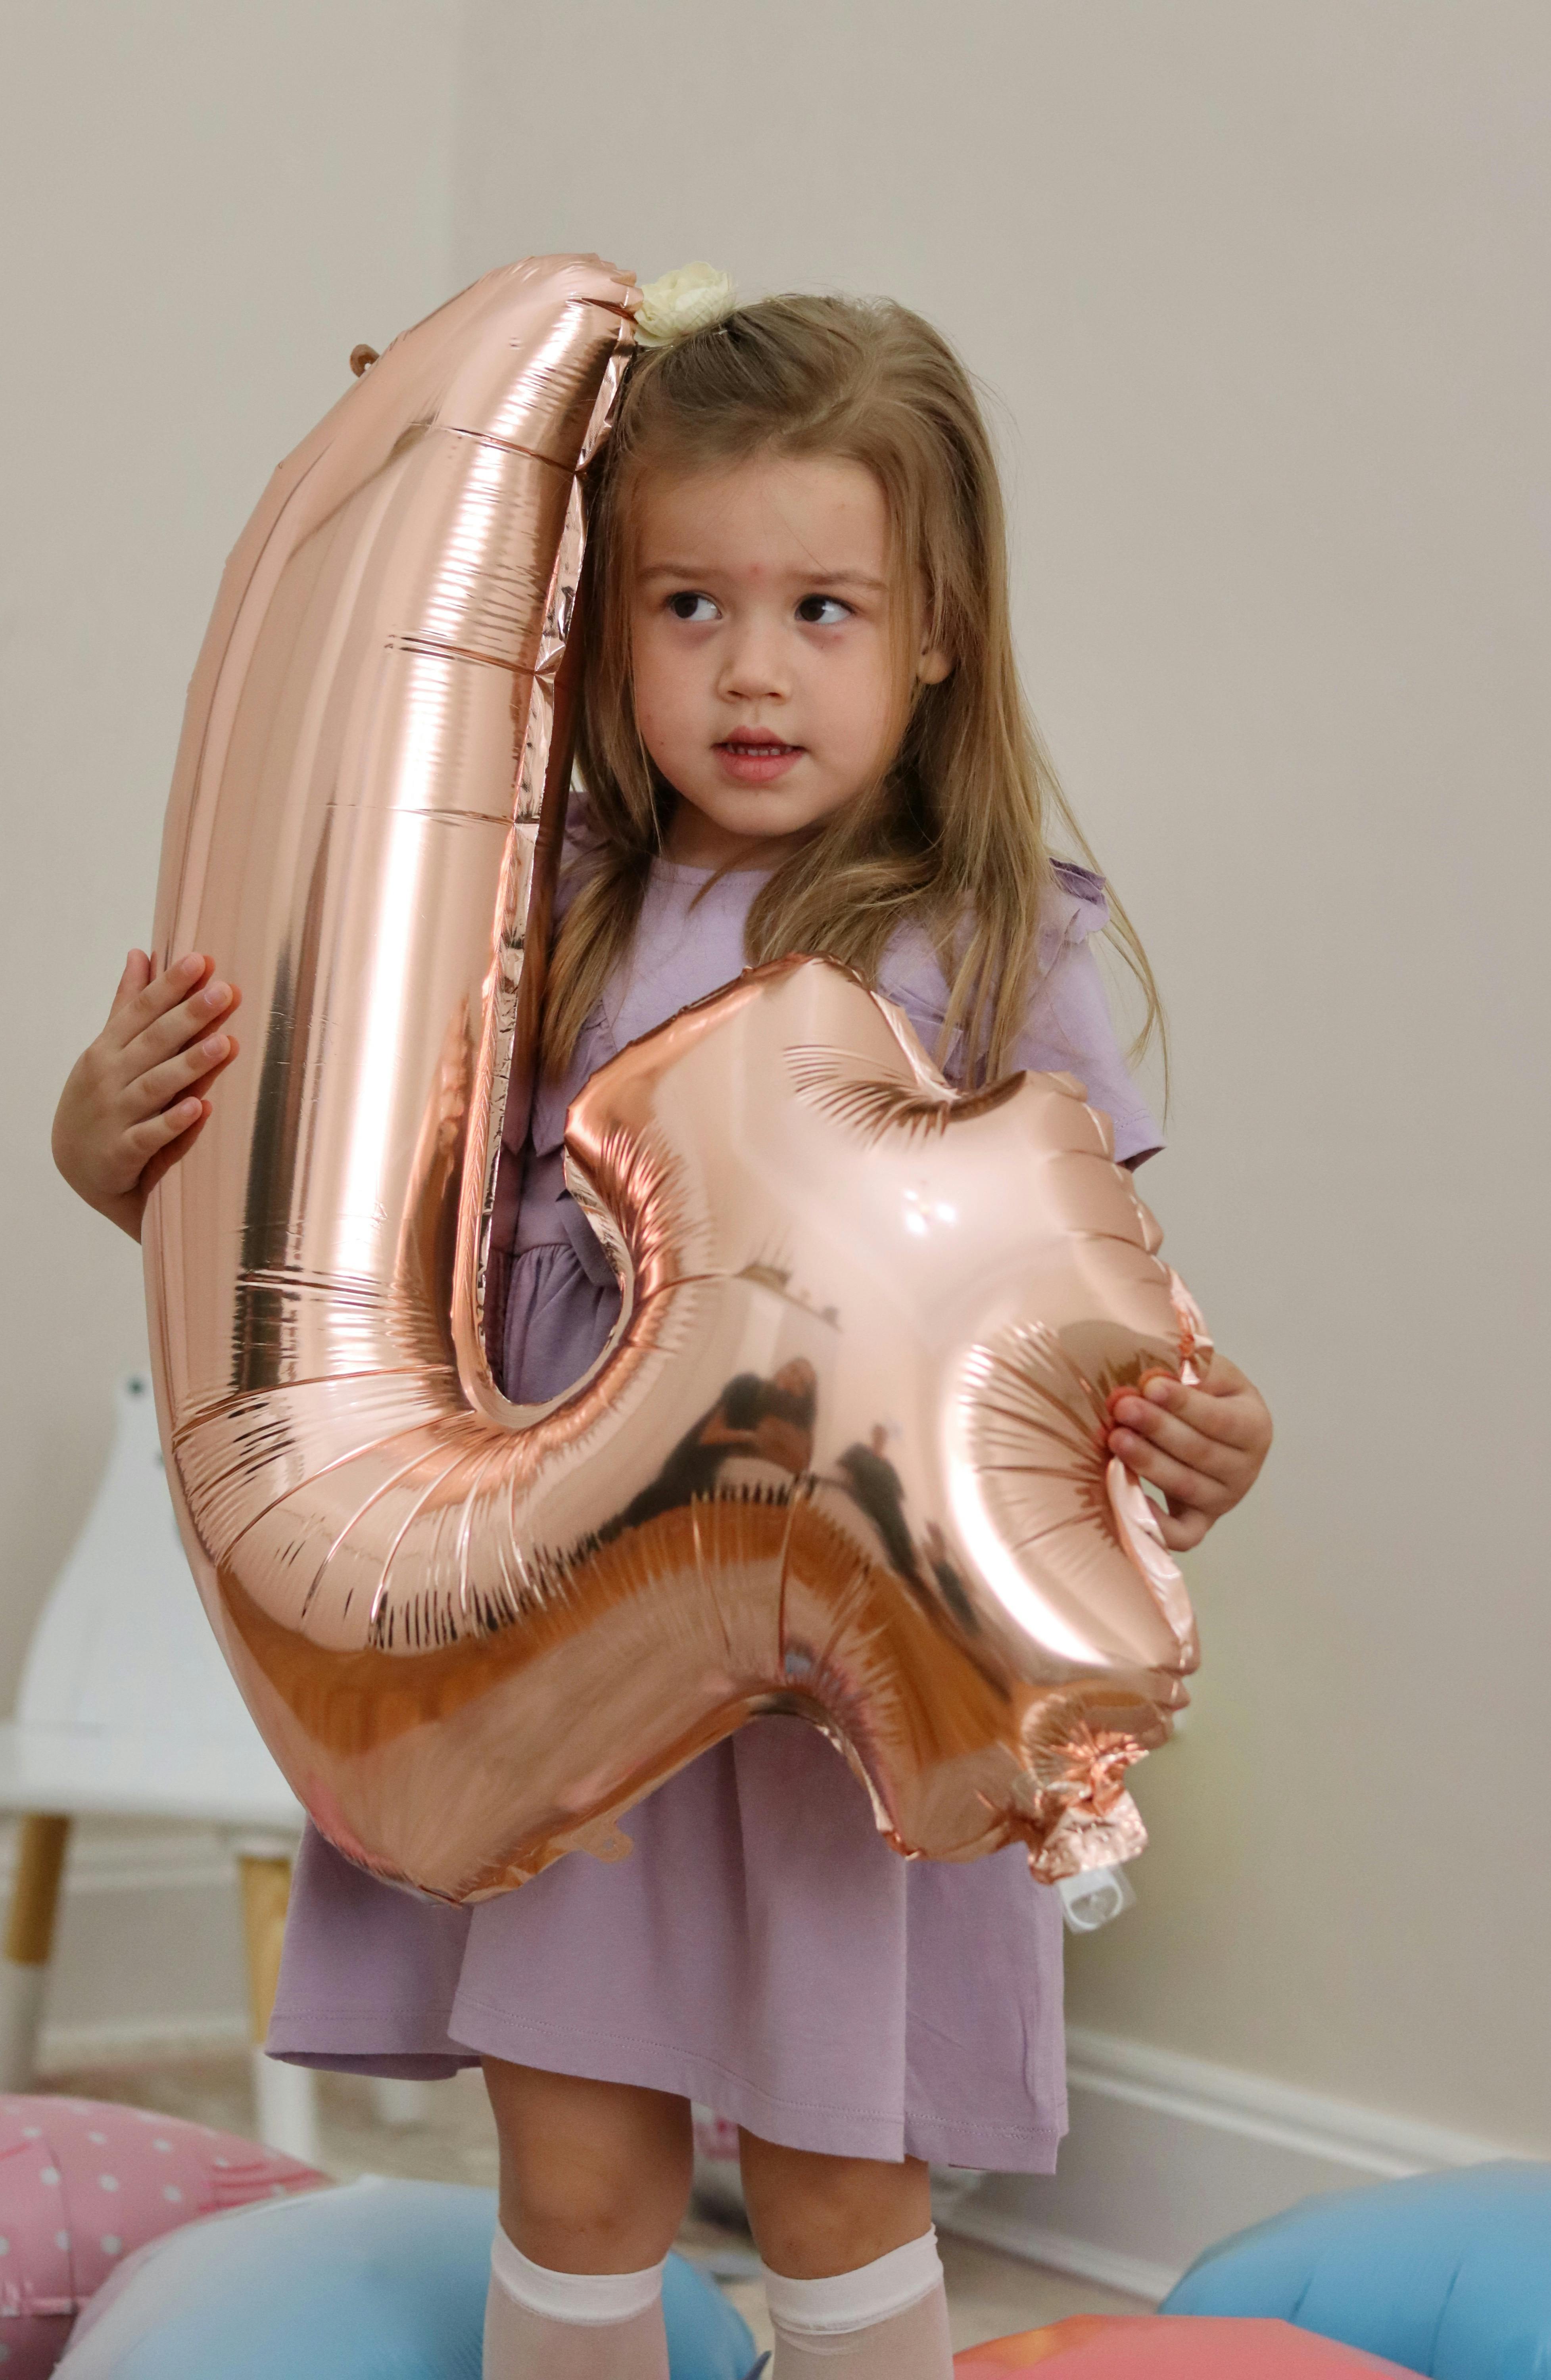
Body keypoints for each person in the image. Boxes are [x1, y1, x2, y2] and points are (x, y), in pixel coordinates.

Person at [53, 273, 1273, 2380]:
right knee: (581, 2172)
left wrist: (1197, 1437)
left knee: (832, 2170)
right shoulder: (535, 906)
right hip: (560, 1633)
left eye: (822, 610)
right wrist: (105, 1140)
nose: (751, 670)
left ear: (939, 630)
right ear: (597, 625)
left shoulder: (985, 947)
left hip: (821, 1681)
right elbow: (301, 1215)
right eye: (687, 605)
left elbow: (1088, 1311)